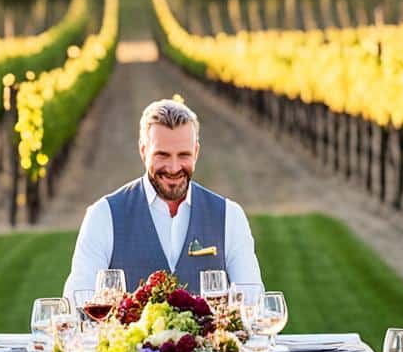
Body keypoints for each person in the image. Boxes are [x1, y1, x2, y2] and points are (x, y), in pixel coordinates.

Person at [63, 99, 262, 297]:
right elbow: (78, 301)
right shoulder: (103, 215)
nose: (174, 168)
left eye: (183, 155)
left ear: (196, 152)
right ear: (143, 151)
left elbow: (251, 303)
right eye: (163, 155)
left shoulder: (229, 216)